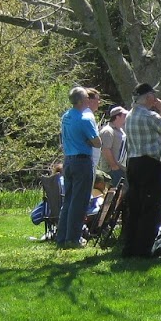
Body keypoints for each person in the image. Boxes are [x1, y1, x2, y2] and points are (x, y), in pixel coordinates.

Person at [121, 84, 161, 258]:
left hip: (133, 162)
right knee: (151, 207)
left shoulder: (129, 116)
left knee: (135, 205)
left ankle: (130, 246)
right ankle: (143, 248)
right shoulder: (150, 116)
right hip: (150, 163)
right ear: (149, 98)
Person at [56, 86, 101, 248]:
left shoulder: (66, 116)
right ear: (83, 100)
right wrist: (88, 140)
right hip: (82, 161)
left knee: (68, 200)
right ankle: (73, 238)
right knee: (79, 202)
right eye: (87, 98)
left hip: (68, 160)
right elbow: (98, 142)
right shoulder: (85, 119)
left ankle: (62, 237)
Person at [98, 106, 128, 191]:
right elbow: (106, 150)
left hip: (121, 169)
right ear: (117, 116)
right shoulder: (108, 131)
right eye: (124, 115)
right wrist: (114, 167)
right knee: (114, 195)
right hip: (112, 170)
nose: (126, 117)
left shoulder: (120, 130)